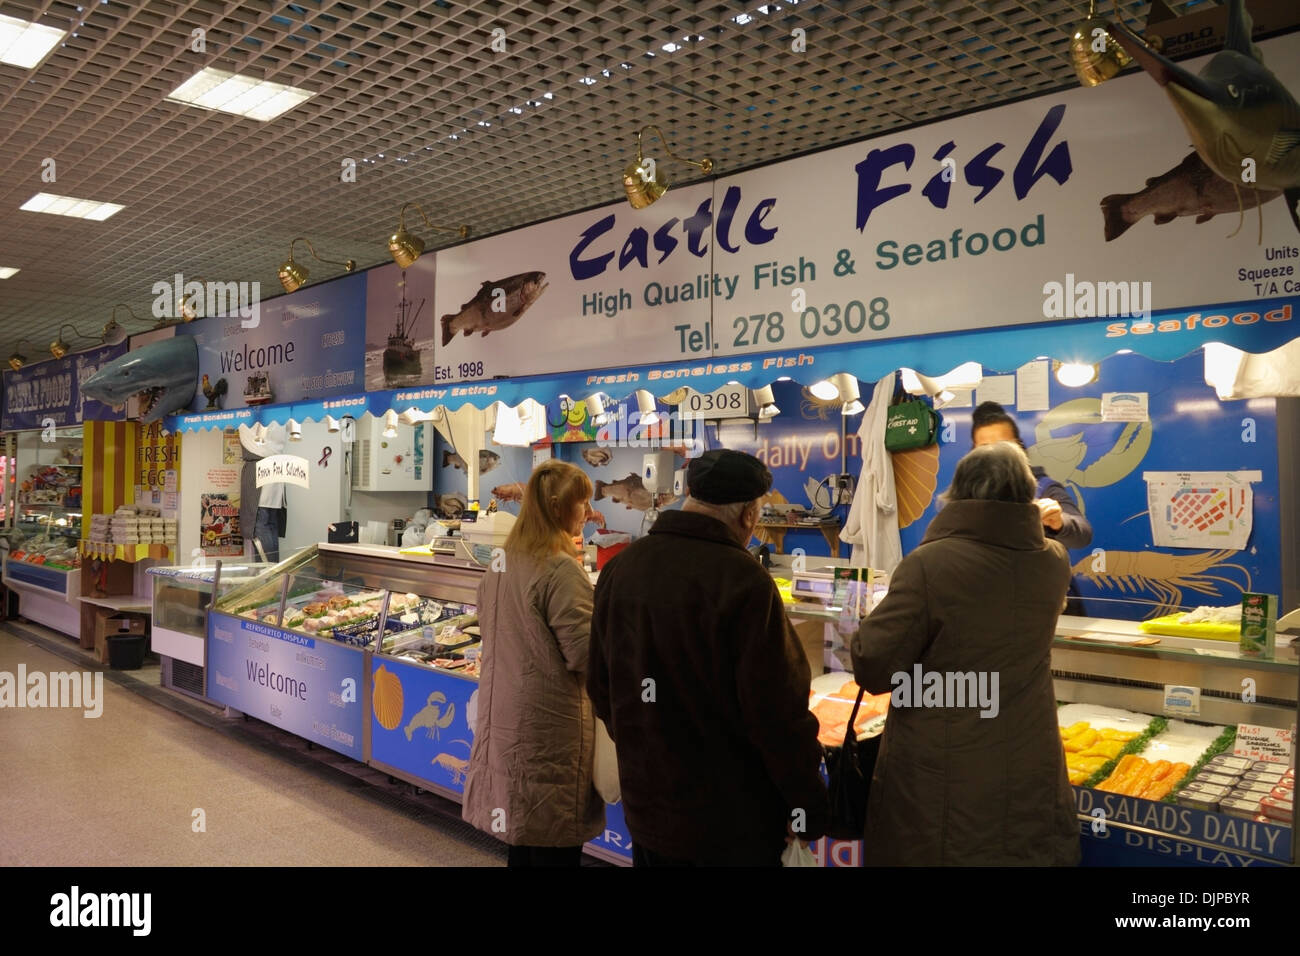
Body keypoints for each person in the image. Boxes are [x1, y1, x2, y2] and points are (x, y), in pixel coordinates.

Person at [587, 449, 830, 866]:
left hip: (648, 810)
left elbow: (601, 684)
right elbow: (776, 713)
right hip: (731, 824)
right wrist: (807, 807)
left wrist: (646, 743)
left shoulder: (622, 568)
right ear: (749, 515)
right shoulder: (745, 581)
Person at [850, 442, 1079, 865]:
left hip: (940, 768)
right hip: (1031, 755)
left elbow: (875, 666)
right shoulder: (1054, 560)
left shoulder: (929, 564)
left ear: (959, 493)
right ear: (1025, 494)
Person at [462, 460, 604, 867]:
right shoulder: (561, 570)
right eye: (583, 503)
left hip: (505, 715)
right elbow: (585, 655)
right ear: (561, 508)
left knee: (523, 839)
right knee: (552, 839)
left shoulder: (502, 563)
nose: (588, 513)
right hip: (549, 726)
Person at [970, 401, 1092, 550]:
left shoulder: (1044, 488)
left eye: (1004, 445)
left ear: (1019, 446)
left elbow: (1082, 535)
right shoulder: (966, 494)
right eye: (985, 447)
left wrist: (1059, 522)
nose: (996, 453)